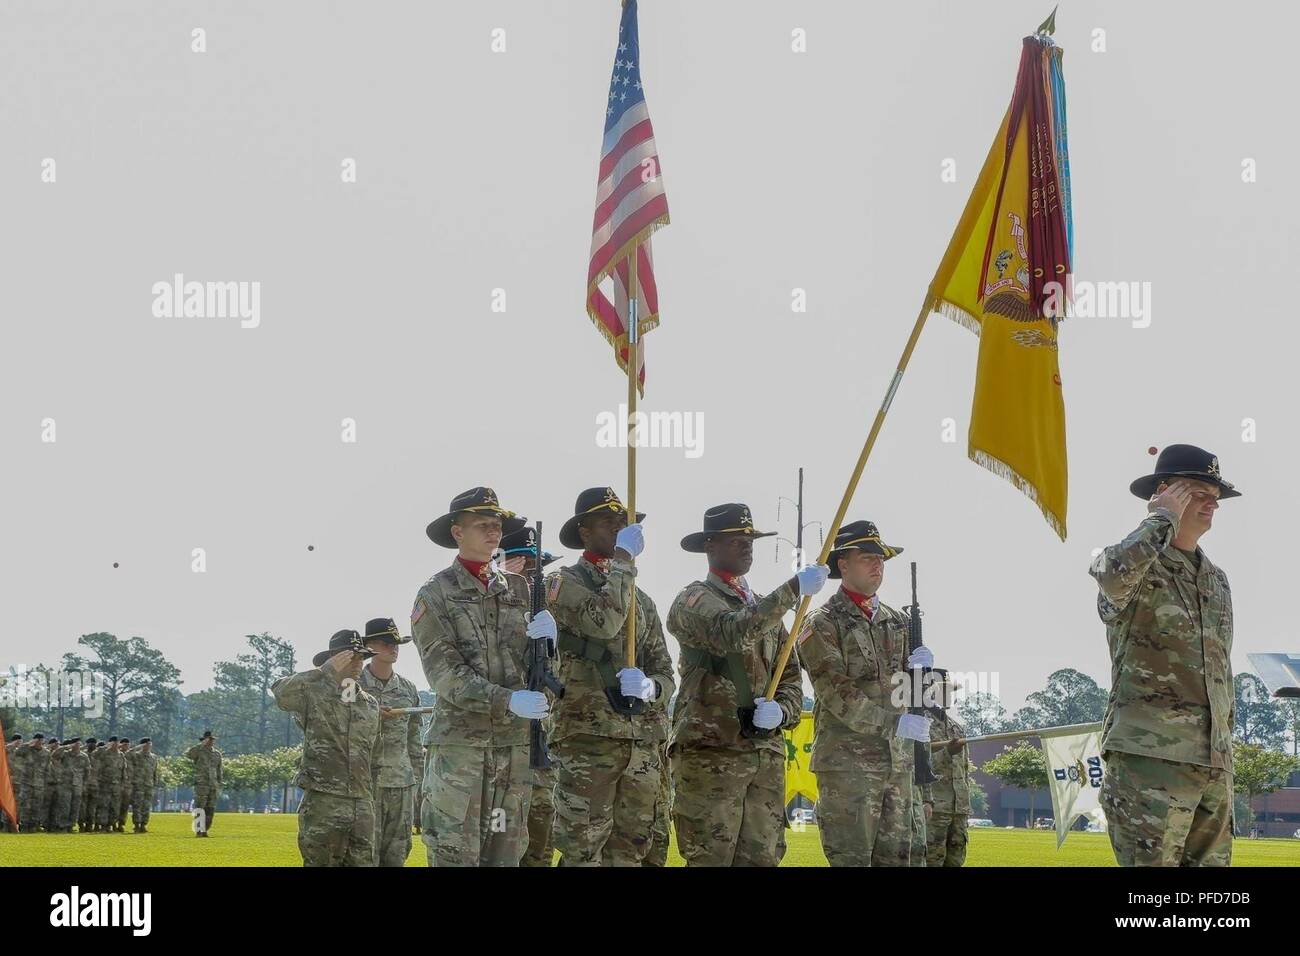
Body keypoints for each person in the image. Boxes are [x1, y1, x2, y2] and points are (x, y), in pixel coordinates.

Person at [1090, 444, 1237, 867]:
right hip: (1150, 759)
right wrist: (1160, 519)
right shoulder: (1133, 564)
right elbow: (1110, 575)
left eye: (1215, 495)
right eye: (1198, 491)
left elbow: (1220, 674)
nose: (1211, 502)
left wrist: (1225, 754)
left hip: (1212, 762)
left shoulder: (1216, 580)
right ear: (1165, 491)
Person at [666, 502, 829, 866]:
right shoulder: (693, 600)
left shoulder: (764, 608)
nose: (747, 544)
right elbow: (732, 632)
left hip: (763, 757)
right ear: (710, 546)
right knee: (711, 857)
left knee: (763, 858)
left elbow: (789, 674)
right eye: (736, 539)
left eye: (750, 538)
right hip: (712, 754)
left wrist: (783, 711)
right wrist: (791, 589)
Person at [412, 486, 551, 866]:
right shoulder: (435, 593)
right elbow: (446, 675)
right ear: (457, 532)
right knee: (456, 854)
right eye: (483, 525)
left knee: (505, 856)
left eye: (497, 526)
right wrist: (507, 699)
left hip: (512, 750)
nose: (494, 533)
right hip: (461, 753)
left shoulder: (522, 590)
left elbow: (539, 670)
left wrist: (551, 642)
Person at [546, 487, 675, 866]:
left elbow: (666, 671)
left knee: (634, 850)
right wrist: (623, 559)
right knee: (583, 851)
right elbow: (602, 622)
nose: (620, 528)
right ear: (584, 531)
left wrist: (652, 688)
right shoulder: (562, 583)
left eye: (625, 523)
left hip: (642, 745)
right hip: (589, 742)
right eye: (610, 521)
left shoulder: (643, 600)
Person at [799, 520, 933, 866]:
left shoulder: (896, 621)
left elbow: (910, 696)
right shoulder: (822, 622)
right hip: (848, 768)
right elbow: (835, 693)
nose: (878, 565)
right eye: (867, 557)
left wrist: (924, 676)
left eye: (881, 558)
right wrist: (894, 725)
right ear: (843, 564)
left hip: (897, 766)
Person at [273, 629, 383, 866]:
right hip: (324, 801)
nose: (357, 663)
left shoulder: (369, 703)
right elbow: (281, 692)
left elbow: (375, 753)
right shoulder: (312, 693)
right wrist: (324, 671)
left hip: (362, 802)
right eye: (351, 656)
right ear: (334, 658)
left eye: (361, 657)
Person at [498, 524, 564, 868]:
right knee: (499, 847)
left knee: (540, 846)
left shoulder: (551, 615)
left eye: (537, 568)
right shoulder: (488, 608)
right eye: (524, 565)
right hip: (499, 753)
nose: (533, 574)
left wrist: (555, 642)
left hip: (542, 751)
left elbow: (565, 679)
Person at [359, 618, 423, 866]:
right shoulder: (353, 687)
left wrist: (417, 781)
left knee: (398, 852)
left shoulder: (408, 688)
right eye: (386, 643)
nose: (393, 648)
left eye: (396, 643)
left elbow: (414, 739)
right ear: (370, 647)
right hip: (366, 783)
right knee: (365, 851)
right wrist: (371, 714)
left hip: (402, 782)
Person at [925, 674, 973, 867]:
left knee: (955, 861)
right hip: (935, 807)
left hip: (958, 809)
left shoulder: (957, 729)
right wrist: (946, 752)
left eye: (950, 692)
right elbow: (916, 764)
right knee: (930, 860)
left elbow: (965, 770)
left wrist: (964, 805)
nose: (949, 696)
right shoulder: (920, 725)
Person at [185, 730, 224, 837]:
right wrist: (201, 745)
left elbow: (219, 769)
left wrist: (219, 783)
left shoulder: (217, 754)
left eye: (212, 740)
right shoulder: (199, 751)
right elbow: (189, 754)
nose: (211, 742)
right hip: (201, 784)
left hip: (213, 785)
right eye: (209, 739)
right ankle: (198, 830)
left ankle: (205, 830)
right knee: (200, 808)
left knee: (210, 809)